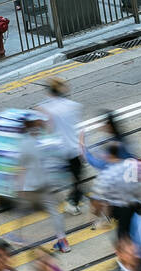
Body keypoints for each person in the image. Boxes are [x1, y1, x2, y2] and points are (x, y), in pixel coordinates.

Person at [14, 116, 69, 254]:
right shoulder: (42, 139)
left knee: (22, 208)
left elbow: (21, 167)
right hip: (47, 181)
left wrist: (19, 188)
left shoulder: (24, 144)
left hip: (32, 186)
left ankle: (18, 236)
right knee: (54, 212)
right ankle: (63, 241)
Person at [80, 132, 141, 240]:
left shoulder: (105, 171)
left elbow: (96, 200)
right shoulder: (131, 164)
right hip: (136, 204)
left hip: (121, 209)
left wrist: (81, 142)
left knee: (124, 237)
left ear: (108, 155)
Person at [37, 77, 83, 214]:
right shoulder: (74, 106)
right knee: (77, 178)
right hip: (73, 148)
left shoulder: (44, 109)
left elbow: (47, 130)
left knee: (51, 176)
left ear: (50, 92)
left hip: (56, 150)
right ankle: (72, 203)